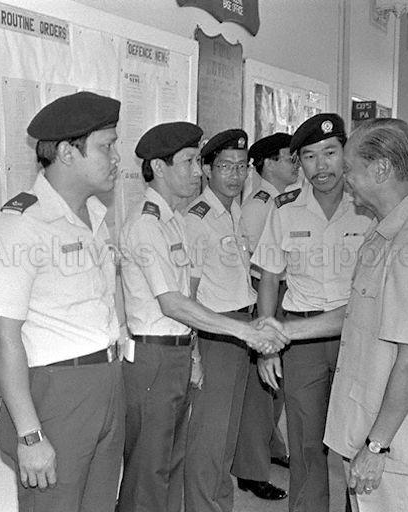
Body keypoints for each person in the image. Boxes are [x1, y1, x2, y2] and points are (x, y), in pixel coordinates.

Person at [283, 117, 408, 512]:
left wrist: (377, 447)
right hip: (373, 421)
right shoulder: (385, 233)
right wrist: (288, 330)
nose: (345, 180)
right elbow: (360, 313)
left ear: (380, 170)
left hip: (394, 439)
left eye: (350, 169)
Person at [118, 121, 288, 512]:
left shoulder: (174, 219)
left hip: (185, 346)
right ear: (159, 167)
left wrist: (195, 350)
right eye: (191, 162)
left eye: (198, 161)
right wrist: (242, 333)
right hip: (161, 352)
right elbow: (176, 301)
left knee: (182, 457)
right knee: (154, 467)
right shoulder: (150, 224)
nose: (198, 171)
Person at [0, 91, 124, 512]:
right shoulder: (20, 226)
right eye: (106, 146)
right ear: (66, 152)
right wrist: (29, 435)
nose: (116, 158)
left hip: (106, 383)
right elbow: (2, 334)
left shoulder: (94, 217)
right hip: (57, 394)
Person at [254, 113, 373, 512]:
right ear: (299, 162)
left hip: (356, 337)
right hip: (301, 337)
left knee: (358, 438)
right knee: (306, 441)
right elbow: (269, 278)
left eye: (330, 153)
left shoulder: (367, 206)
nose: (321, 166)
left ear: (345, 153)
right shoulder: (284, 208)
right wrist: (267, 345)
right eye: (309, 156)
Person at [182, 129, 260, 512]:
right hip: (214, 334)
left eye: (241, 167)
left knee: (227, 436)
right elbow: (189, 295)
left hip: (240, 331)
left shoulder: (234, 211)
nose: (235, 175)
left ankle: (220, 505)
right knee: (208, 438)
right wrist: (194, 354)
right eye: (226, 166)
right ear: (207, 169)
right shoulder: (197, 219)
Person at [232, 133, 300, 501]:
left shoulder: (286, 201)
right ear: (269, 164)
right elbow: (247, 263)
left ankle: (272, 447)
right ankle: (250, 470)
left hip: (284, 291)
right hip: (265, 292)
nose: (296, 165)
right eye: (290, 158)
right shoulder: (259, 205)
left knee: (278, 385)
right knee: (262, 388)